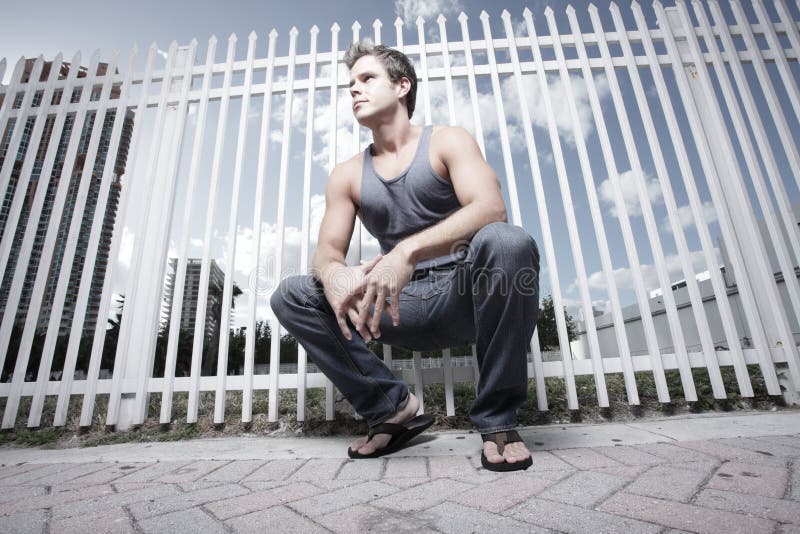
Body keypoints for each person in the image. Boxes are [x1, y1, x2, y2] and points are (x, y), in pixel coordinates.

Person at [270, 41, 540, 471]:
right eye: (350, 84)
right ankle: (391, 408)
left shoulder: (448, 140)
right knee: (293, 293)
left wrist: (407, 251)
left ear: (401, 85)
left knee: (507, 242)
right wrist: (334, 274)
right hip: (396, 305)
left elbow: (491, 208)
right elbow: (326, 250)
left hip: (466, 294)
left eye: (366, 78)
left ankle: (498, 420)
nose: (354, 90)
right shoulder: (345, 175)